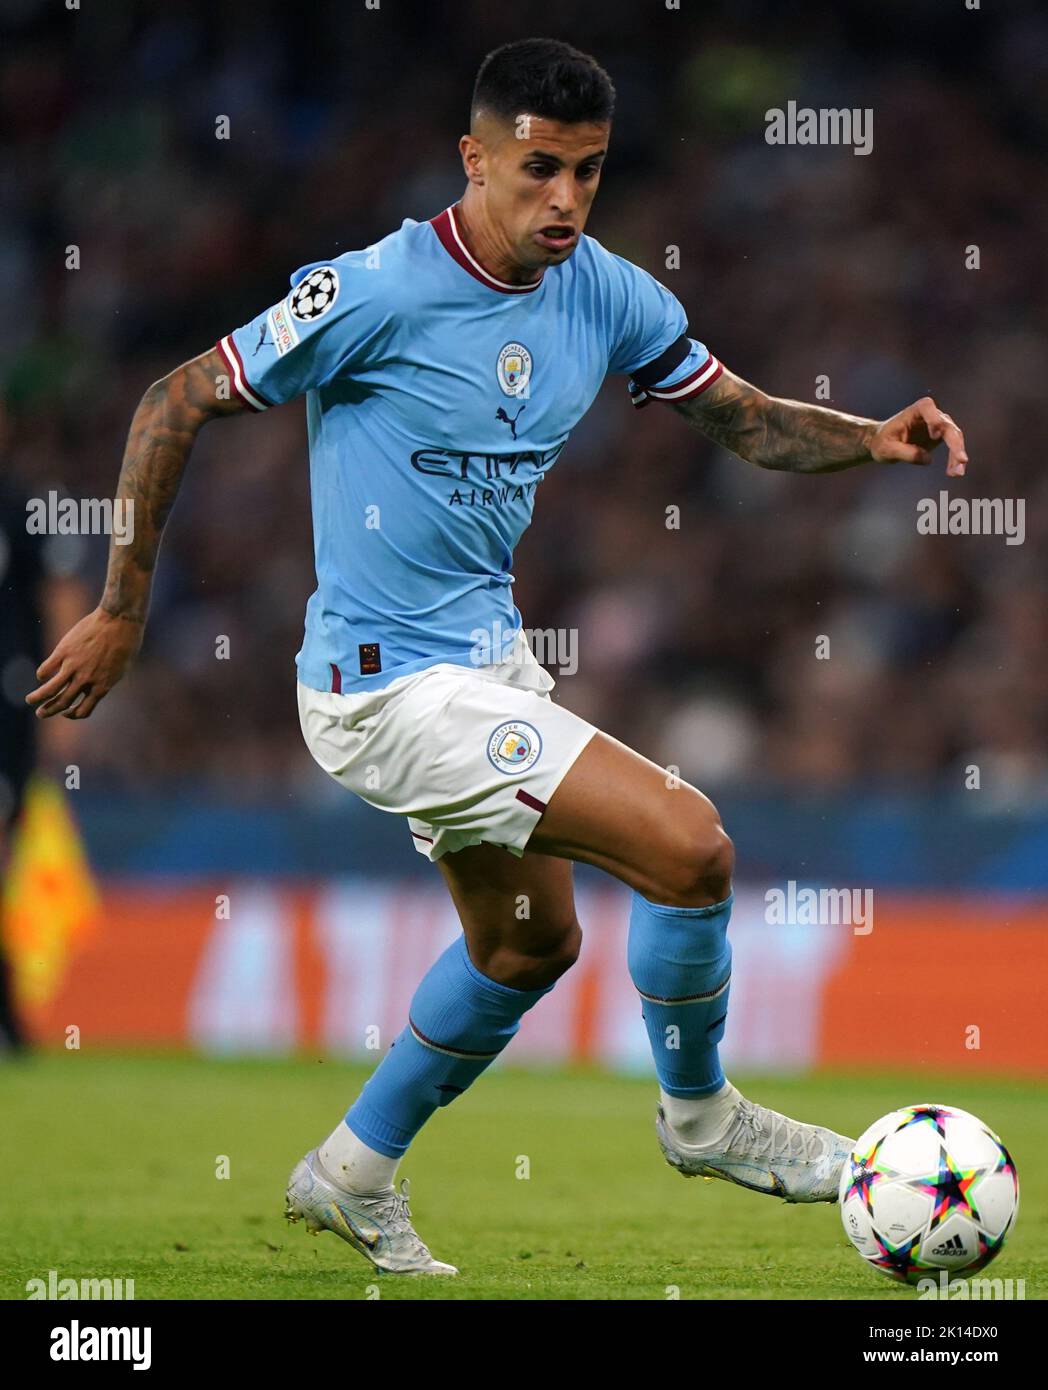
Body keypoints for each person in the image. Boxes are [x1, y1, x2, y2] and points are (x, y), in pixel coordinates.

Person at [26, 38, 969, 1276]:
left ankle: (351, 1170)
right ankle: (701, 1118)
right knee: (692, 847)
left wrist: (873, 442)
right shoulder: (370, 289)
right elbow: (175, 398)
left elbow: (739, 417)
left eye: (586, 172)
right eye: (537, 170)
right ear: (474, 160)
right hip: (381, 688)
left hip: (484, 670)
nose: (564, 200)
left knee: (529, 945)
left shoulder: (611, 294)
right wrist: (122, 609)